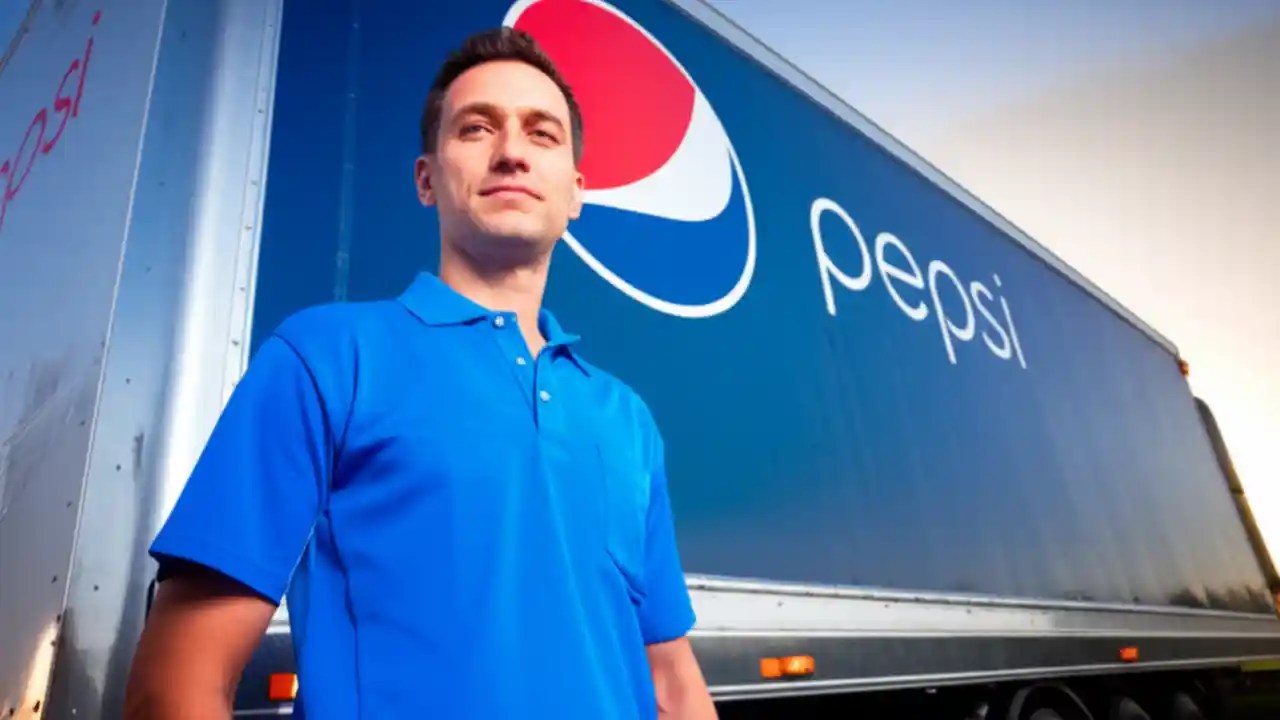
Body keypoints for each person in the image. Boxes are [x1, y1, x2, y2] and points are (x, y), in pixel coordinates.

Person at [124, 27, 717, 720]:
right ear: (427, 179)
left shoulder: (627, 419)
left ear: (576, 192)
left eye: (542, 133)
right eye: (477, 128)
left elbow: (673, 686)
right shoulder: (326, 357)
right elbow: (176, 686)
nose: (512, 152)